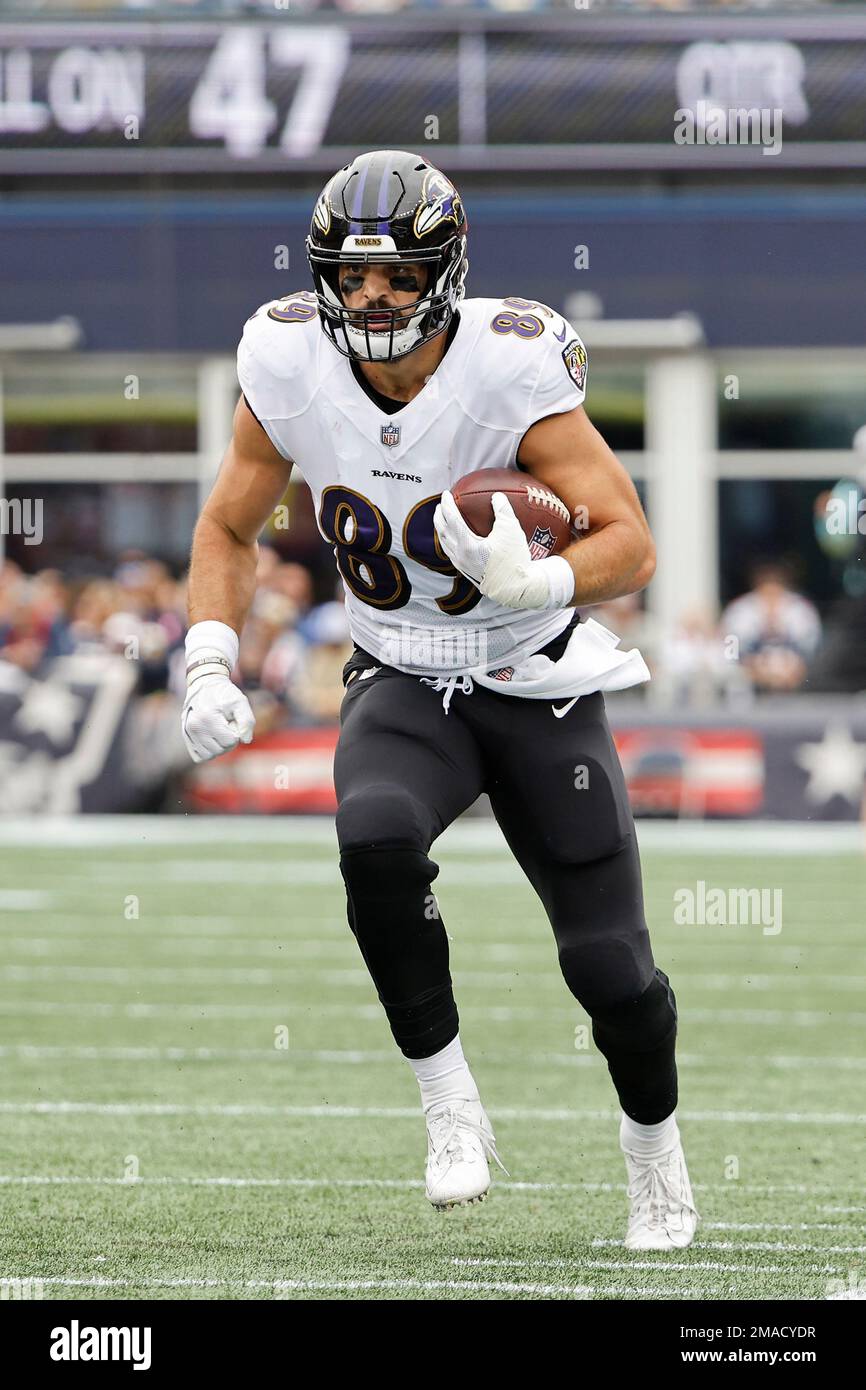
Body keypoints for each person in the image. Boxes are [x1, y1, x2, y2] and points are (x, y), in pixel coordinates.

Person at [181, 150, 697, 1250]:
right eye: (351, 275)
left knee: (610, 970)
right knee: (372, 838)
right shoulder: (282, 356)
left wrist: (542, 579)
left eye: (398, 275)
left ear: (446, 272)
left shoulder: (507, 369)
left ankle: (652, 1151)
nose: (372, 297)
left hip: (532, 675)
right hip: (399, 667)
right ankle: (447, 1098)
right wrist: (208, 657)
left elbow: (632, 542)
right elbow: (229, 525)